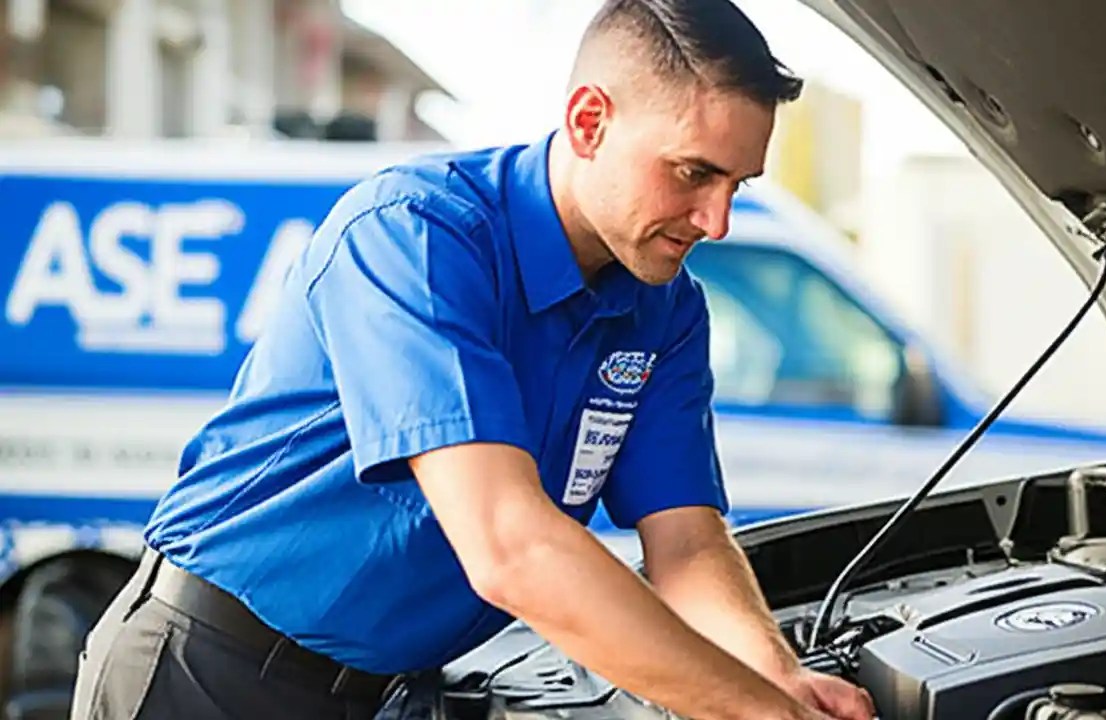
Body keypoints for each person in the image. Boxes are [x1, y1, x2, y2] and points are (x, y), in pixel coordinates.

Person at [70, 1, 877, 718]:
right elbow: (509, 546)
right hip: (210, 673)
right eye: (695, 173)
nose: (718, 220)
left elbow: (689, 543)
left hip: (394, 691)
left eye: (738, 183)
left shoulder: (664, 309)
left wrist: (774, 678)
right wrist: (745, 712)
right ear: (589, 121)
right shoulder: (416, 235)